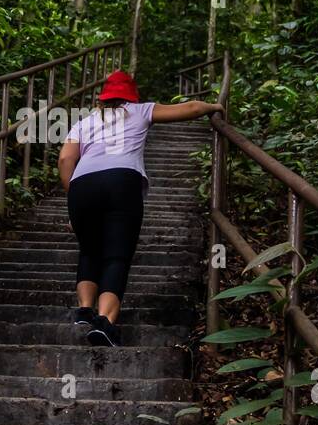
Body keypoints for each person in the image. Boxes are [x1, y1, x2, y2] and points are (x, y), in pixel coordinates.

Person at [58, 70, 224, 346]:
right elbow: (191, 108)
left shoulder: (84, 122)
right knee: (116, 255)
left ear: (103, 100)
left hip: (82, 185)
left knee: (89, 248)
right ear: (131, 97)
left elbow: (65, 159)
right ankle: (104, 322)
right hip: (122, 182)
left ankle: (84, 311)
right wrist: (214, 106)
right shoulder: (139, 111)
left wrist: (74, 196)